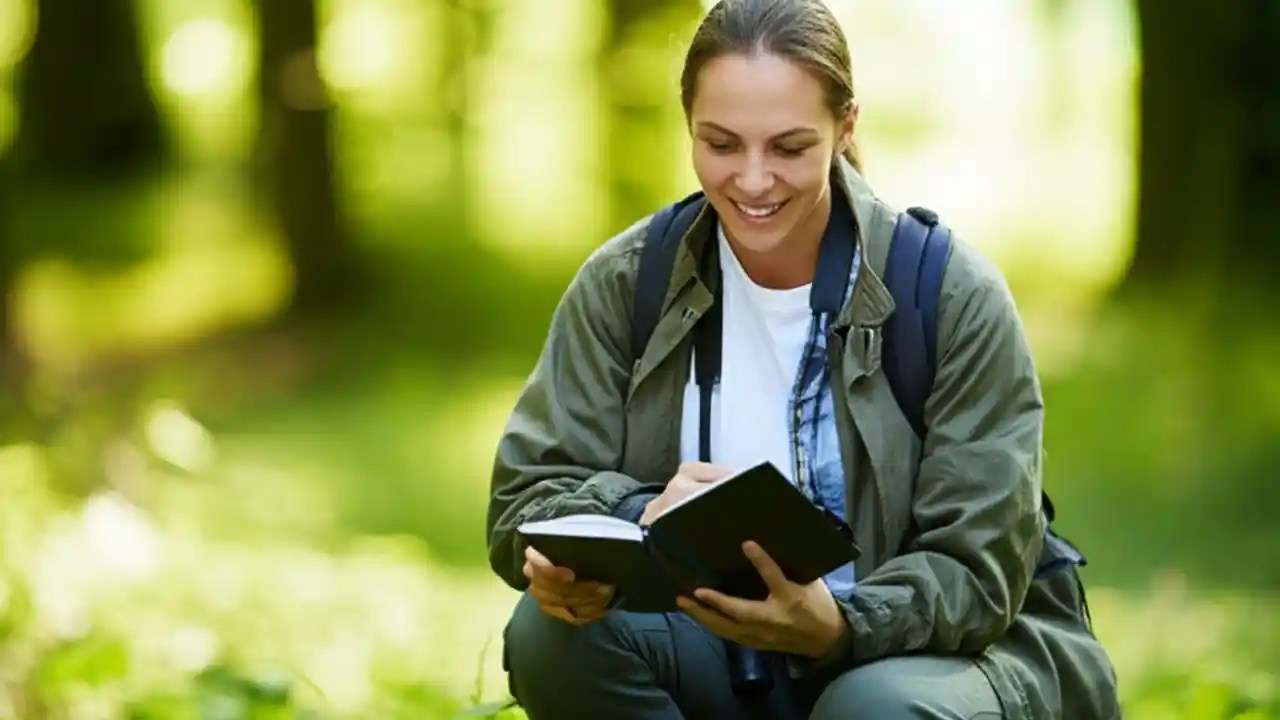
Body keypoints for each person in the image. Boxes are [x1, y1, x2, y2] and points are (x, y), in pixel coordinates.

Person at [485, 0, 1120, 717]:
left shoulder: (947, 294)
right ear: (688, 124)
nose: (753, 182)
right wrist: (625, 526)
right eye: (721, 144)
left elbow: (979, 567)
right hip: (721, 645)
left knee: (871, 709)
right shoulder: (630, 280)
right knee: (549, 635)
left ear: (845, 127)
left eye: (789, 148)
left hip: (932, 660)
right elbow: (525, 499)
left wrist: (838, 626)